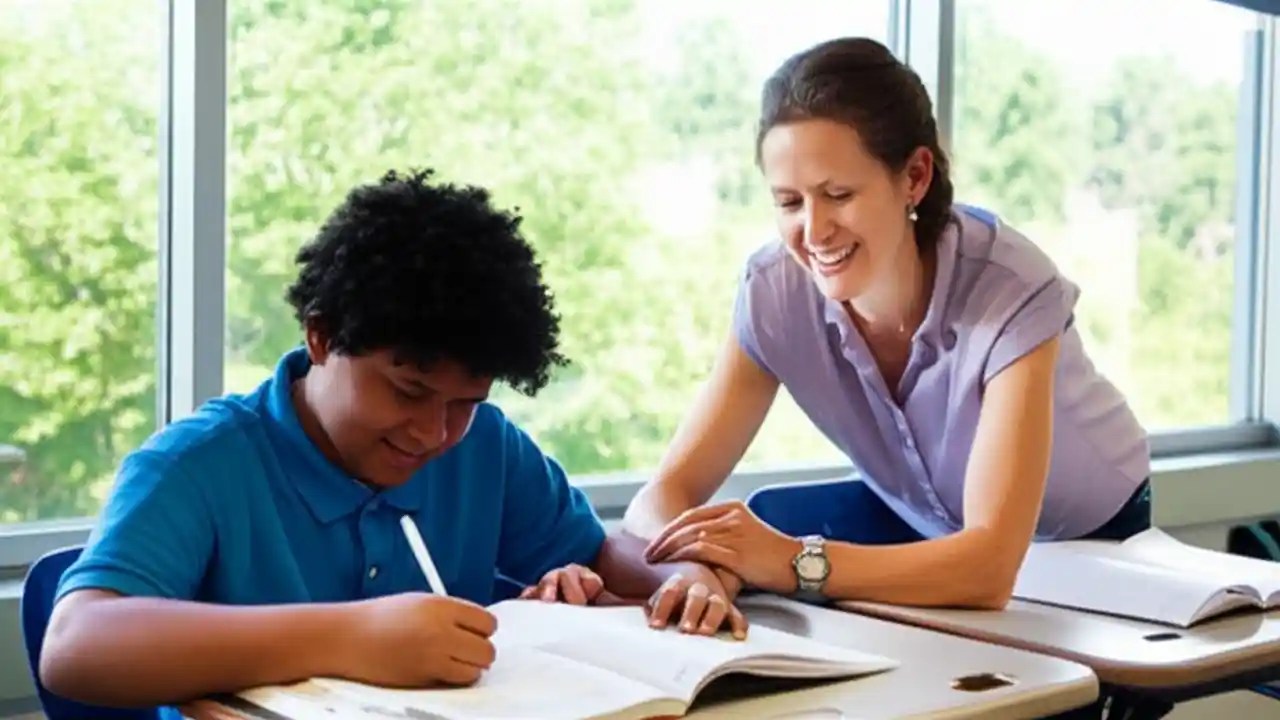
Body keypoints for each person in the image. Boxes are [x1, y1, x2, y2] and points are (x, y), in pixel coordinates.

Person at [40, 169, 745, 714]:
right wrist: (355, 637)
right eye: (407, 392)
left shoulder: (485, 448)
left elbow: (597, 556)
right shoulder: (198, 467)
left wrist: (671, 582)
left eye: (466, 403)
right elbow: (75, 648)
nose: (433, 433)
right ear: (321, 338)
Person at [625, 37, 1152, 610]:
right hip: (927, 524)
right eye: (789, 202)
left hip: (1091, 537)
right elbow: (658, 500)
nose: (815, 230)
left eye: (838, 194)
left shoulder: (1008, 286)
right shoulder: (774, 292)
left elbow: (988, 570)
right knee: (765, 530)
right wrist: (700, 570)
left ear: (915, 178)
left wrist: (785, 561)